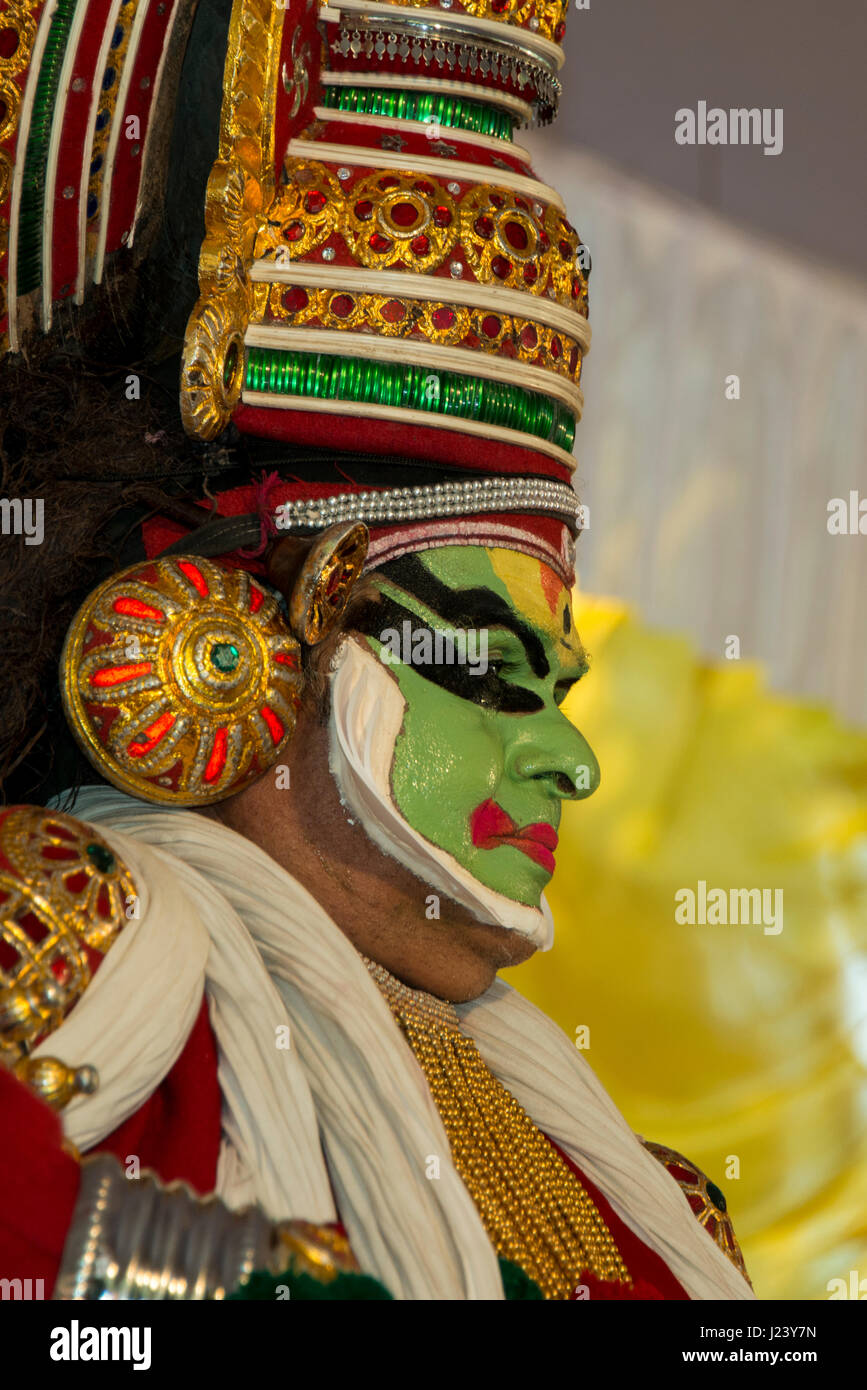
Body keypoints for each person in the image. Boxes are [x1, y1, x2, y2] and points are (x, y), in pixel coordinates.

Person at [0, 0, 752, 1300]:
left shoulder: (641, 1197)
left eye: (557, 693)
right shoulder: (59, 942)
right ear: (245, 642)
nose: (570, 762)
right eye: (489, 674)